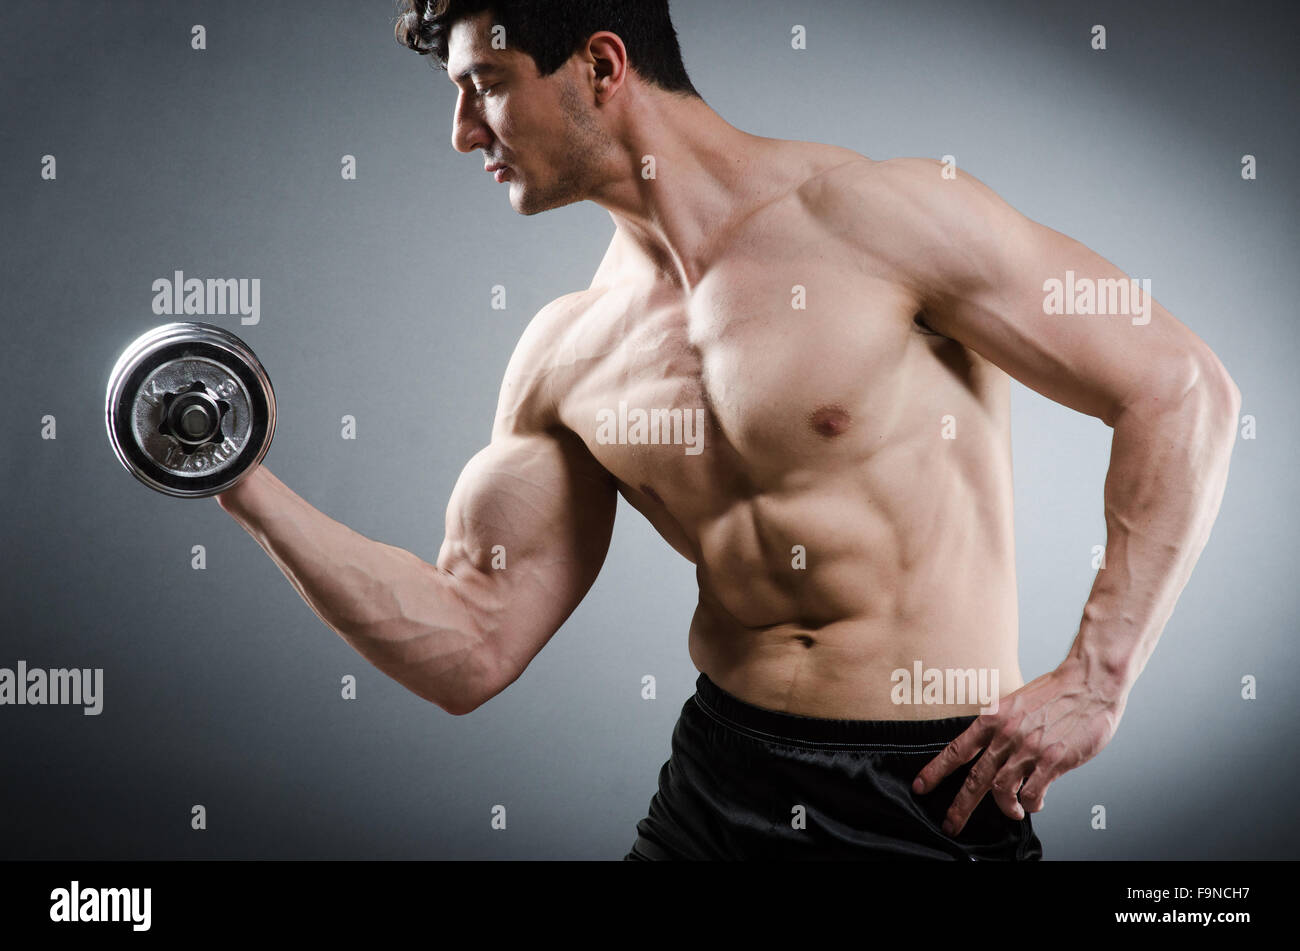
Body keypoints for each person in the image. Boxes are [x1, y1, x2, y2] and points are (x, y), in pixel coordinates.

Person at [217, 0, 1241, 860]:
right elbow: (472, 647)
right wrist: (240, 481)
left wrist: (1095, 680)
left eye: (483, 83)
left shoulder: (877, 220)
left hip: (933, 789)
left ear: (601, 65)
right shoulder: (567, 351)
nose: (461, 131)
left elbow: (1180, 390)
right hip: (718, 786)